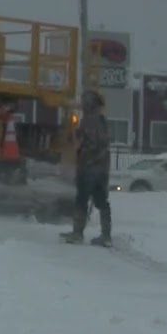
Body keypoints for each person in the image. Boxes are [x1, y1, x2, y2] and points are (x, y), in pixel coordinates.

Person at [65, 89, 112, 246]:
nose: (81, 103)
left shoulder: (88, 121)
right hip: (102, 168)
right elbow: (104, 144)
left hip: (88, 167)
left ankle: (77, 233)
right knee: (102, 201)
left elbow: (86, 143)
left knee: (81, 199)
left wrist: (75, 136)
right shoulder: (102, 121)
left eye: (84, 101)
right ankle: (106, 236)